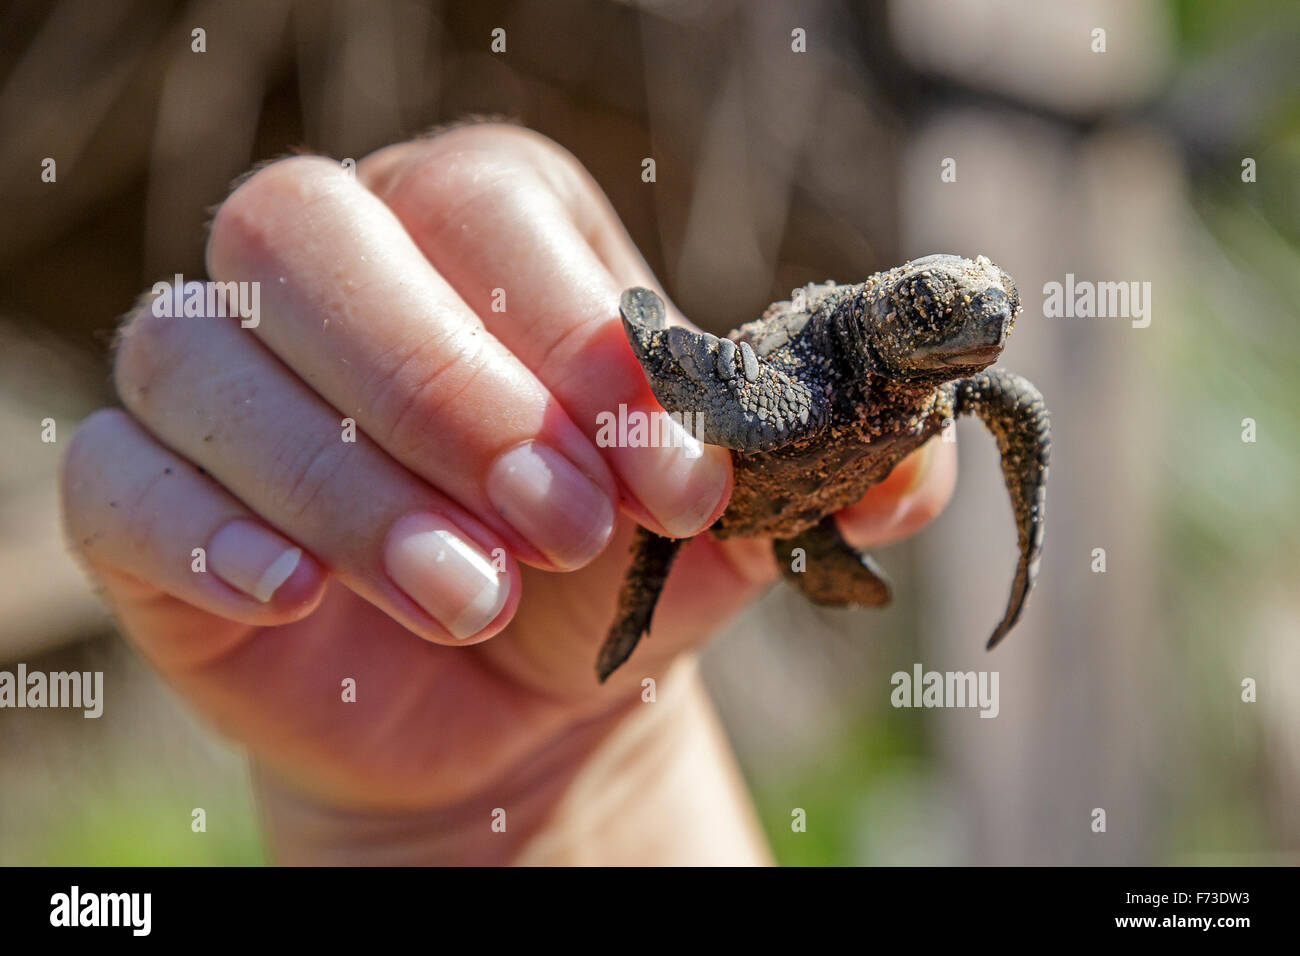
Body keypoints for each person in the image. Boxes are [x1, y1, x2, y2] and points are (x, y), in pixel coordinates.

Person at [58, 123, 956, 864]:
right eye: (942, 311)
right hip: (722, 504)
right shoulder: (820, 371)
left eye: (999, 314)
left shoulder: (939, 396)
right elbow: (719, 402)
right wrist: (471, 813)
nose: (982, 326)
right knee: (663, 502)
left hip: (767, 513)